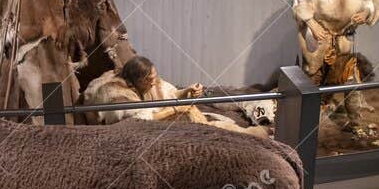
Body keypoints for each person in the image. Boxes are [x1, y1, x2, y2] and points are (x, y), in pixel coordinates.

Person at [291, 0, 379, 131]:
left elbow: (373, 4)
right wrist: (312, 23)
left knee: (349, 78)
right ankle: (307, 124)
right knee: (313, 78)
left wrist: (366, 13)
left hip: (344, 37)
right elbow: (301, 1)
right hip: (318, 36)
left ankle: (355, 122)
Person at [82, 55, 262, 134]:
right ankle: (224, 133)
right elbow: (138, 120)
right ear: (136, 80)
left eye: (154, 78)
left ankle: (234, 131)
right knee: (189, 113)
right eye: (149, 80)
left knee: (195, 109)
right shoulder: (114, 94)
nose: (153, 82)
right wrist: (176, 109)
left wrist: (186, 91)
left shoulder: (138, 80)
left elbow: (167, 92)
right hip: (121, 134)